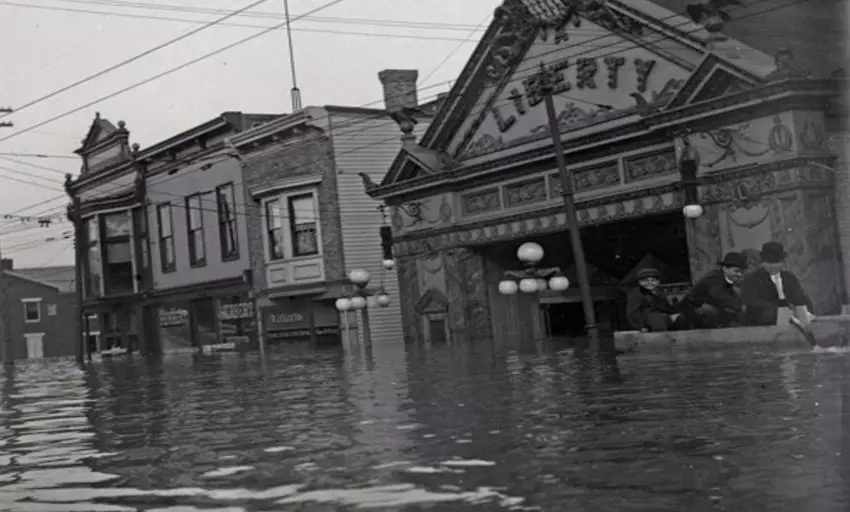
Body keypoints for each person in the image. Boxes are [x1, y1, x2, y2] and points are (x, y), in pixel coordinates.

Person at [740, 241, 813, 326]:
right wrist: (778, 309)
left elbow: (799, 296)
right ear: (763, 262)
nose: (773, 266)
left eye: (777, 262)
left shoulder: (789, 278)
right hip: (763, 321)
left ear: (782, 262)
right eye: (770, 263)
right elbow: (751, 300)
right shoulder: (752, 279)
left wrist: (803, 310)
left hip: (791, 318)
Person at [680, 252, 747, 328]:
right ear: (725, 268)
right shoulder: (714, 278)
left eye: (741, 272)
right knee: (712, 311)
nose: (740, 274)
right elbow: (719, 296)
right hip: (692, 308)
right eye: (737, 271)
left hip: (707, 307)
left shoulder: (728, 280)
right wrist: (739, 306)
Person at [625, 268, 688, 332]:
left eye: (653, 280)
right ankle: (660, 338)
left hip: (662, 316)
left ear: (658, 282)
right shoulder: (637, 295)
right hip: (646, 319)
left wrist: (675, 310)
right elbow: (632, 313)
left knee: (681, 318)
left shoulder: (660, 294)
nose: (650, 283)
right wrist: (641, 327)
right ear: (640, 282)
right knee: (657, 318)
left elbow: (666, 308)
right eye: (646, 280)